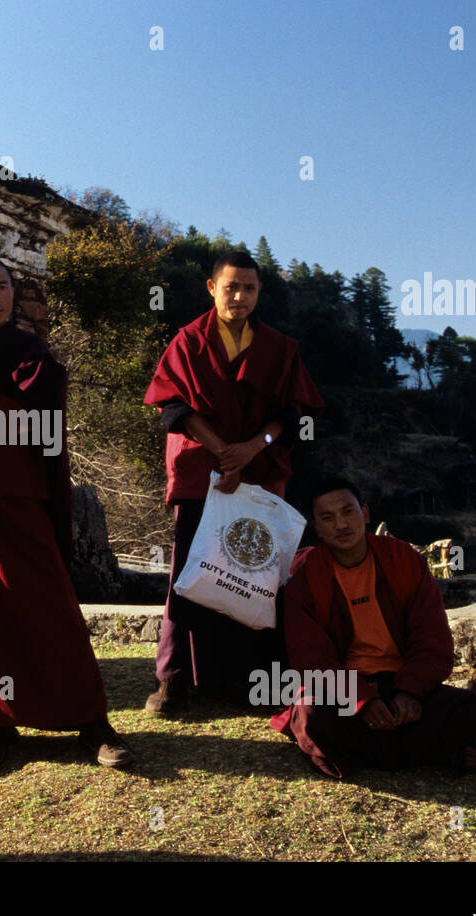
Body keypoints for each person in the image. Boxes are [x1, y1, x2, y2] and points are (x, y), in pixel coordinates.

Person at [0, 256, 134, 777]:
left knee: (50, 607)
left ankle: (90, 722)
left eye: (3, 287)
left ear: (15, 294)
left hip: (23, 496)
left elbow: (43, 426)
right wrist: (8, 415)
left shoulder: (33, 354)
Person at [143, 251, 324, 716]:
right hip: (201, 470)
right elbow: (173, 408)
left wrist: (252, 448)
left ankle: (254, 681)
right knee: (191, 572)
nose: (239, 297)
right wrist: (224, 450)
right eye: (231, 287)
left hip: (259, 471)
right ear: (211, 287)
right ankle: (175, 679)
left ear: (259, 292)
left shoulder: (281, 348)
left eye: (249, 288)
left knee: (257, 574)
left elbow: (293, 413)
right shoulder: (187, 341)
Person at [271, 477, 476, 778]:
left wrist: (410, 692)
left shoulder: (404, 560)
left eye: (348, 512)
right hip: (342, 690)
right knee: (310, 715)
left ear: (366, 514)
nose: (341, 525)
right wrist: (362, 700)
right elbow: (312, 658)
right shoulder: (305, 577)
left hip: (400, 682)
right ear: (316, 528)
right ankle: (432, 750)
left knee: (472, 710)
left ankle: (373, 751)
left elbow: (432, 638)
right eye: (327, 518)